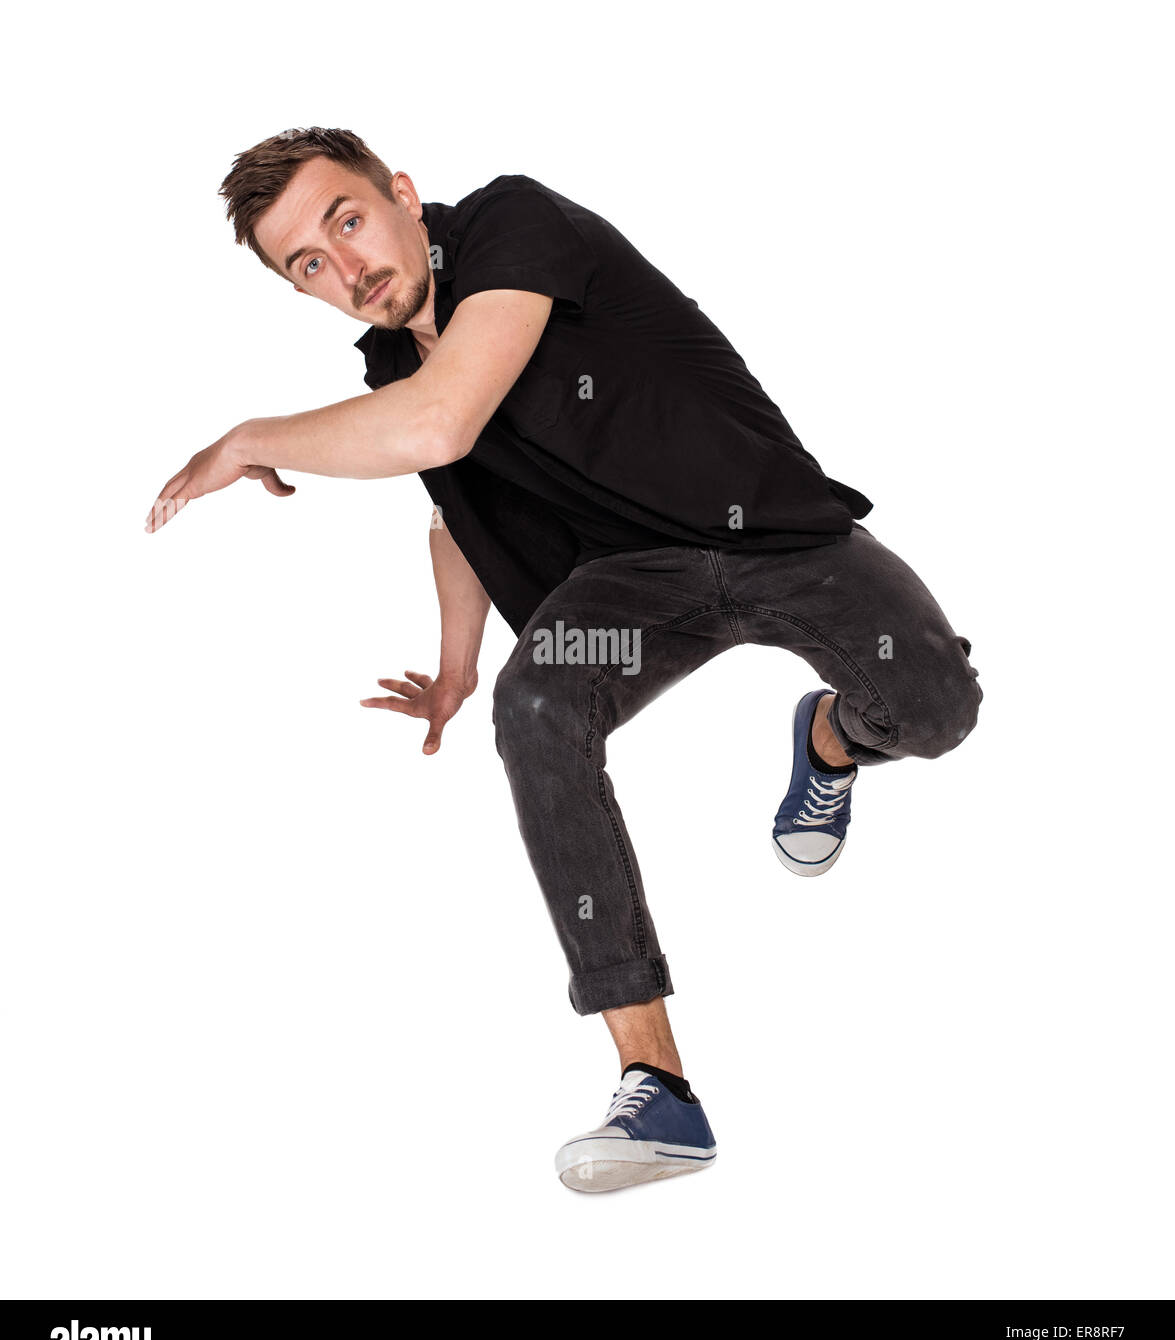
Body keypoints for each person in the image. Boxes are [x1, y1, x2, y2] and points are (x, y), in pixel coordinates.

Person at [146, 127, 982, 1194]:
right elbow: (453, 508)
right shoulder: (391, 365)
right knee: (533, 701)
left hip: (771, 537)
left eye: (347, 221)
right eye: (307, 263)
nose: (346, 269)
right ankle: (657, 1087)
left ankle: (826, 739)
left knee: (931, 708)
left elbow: (438, 424)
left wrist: (246, 436)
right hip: (630, 598)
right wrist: (457, 669)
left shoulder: (510, 223)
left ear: (401, 193)